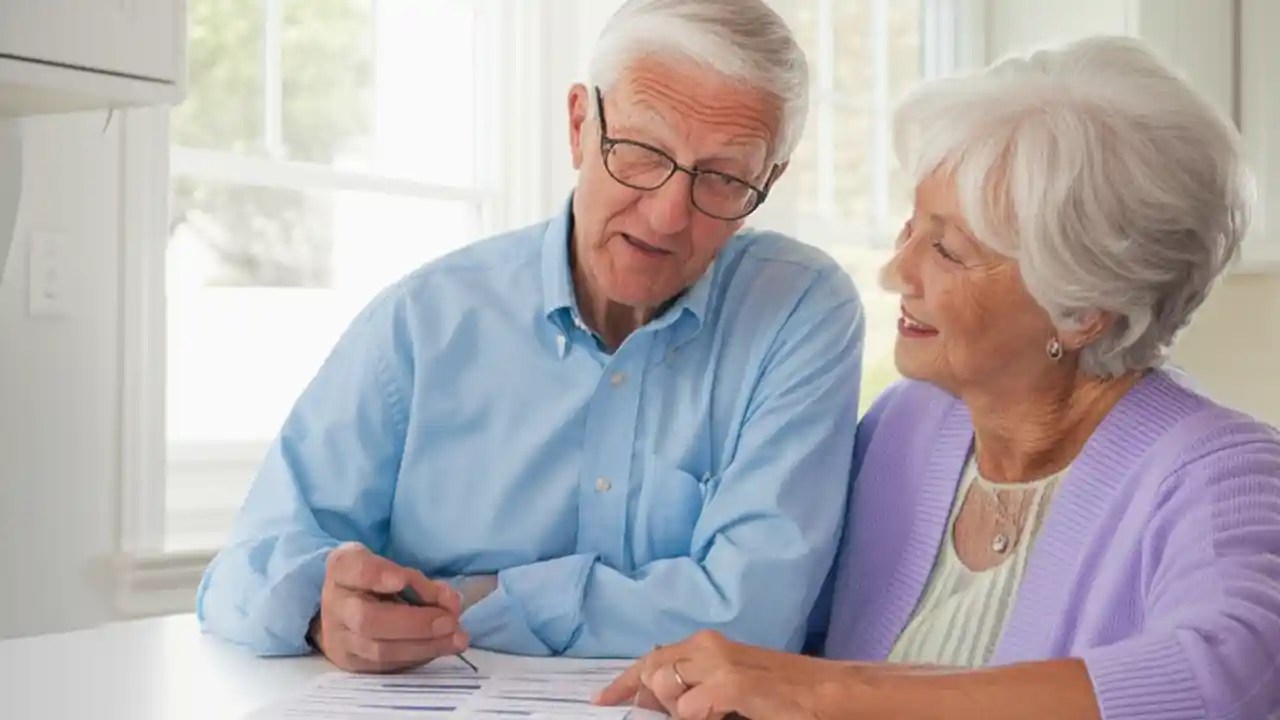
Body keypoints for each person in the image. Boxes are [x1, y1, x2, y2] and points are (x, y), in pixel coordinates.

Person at [596, 35, 1280, 719]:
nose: (897, 273)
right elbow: (761, 605)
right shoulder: (908, 427)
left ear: (1082, 311)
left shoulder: (1220, 473)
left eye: (948, 251)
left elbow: (1228, 679)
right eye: (909, 230)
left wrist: (831, 692)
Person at [196, 0, 866, 672]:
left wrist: (477, 600)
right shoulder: (425, 322)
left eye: (722, 178)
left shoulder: (799, 312)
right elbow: (243, 571)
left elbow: (751, 618)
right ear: (580, 125)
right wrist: (321, 613)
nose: (666, 216)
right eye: (640, 151)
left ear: (767, 182)